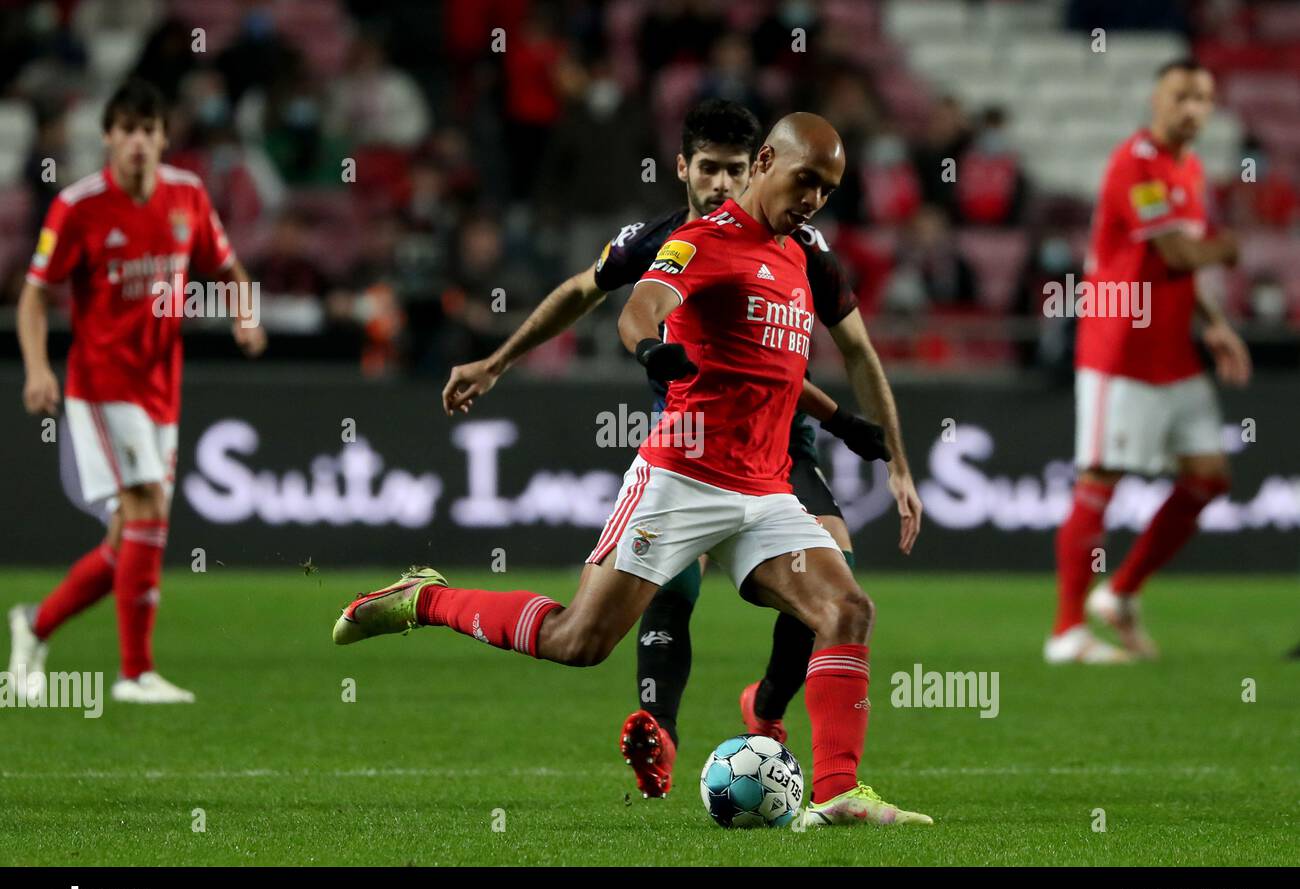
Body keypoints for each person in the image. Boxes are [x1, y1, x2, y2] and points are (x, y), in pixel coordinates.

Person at [336, 113, 932, 828]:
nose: (813, 198)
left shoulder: (800, 259)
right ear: (768, 160)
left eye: (828, 190)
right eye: (806, 179)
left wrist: (840, 421)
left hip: (766, 490)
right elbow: (638, 309)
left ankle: (838, 791)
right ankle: (425, 599)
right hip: (680, 480)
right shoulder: (699, 241)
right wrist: (650, 347)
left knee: (848, 610)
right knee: (577, 641)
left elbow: (765, 364)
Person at [8, 79, 267, 704]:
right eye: (126, 130)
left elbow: (229, 266)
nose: (138, 143)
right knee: (147, 505)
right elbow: (35, 296)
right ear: (108, 137)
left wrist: (245, 313)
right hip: (100, 384)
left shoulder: (187, 196)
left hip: (161, 388)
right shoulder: (79, 206)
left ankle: (34, 623)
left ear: (163, 138)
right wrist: (38, 369)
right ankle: (135, 673)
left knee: (131, 535)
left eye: (149, 131)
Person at [1048, 60, 1250, 663]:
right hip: (1121, 350)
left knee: (1210, 475)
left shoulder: (1190, 169)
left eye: (1204, 98)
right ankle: (1066, 632)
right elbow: (1178, 250)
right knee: (1101, 478)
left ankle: (1121, 593)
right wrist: (1229, 247)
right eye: (1181, 96)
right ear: (1157, 101)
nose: (1193, 108)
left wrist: (1216, 327)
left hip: (1174, 355)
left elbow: (1186, 265)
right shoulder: (1135, 161)